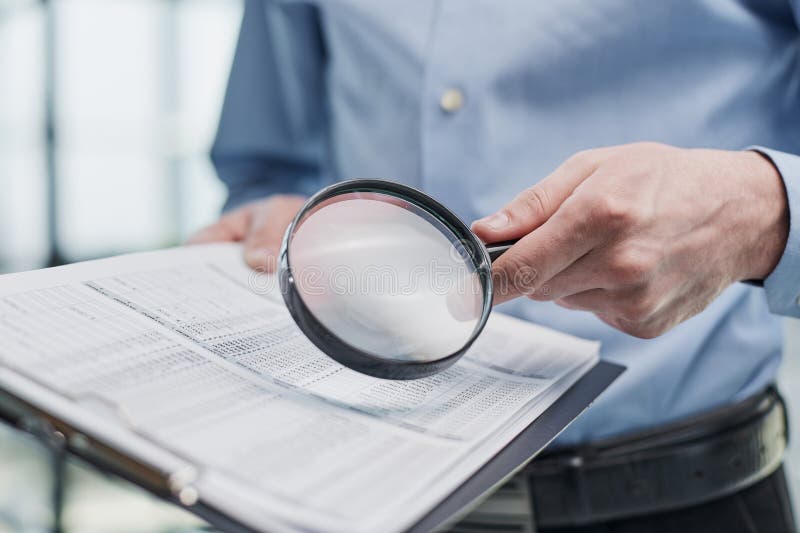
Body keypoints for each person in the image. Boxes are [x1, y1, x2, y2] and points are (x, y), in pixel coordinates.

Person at [191, 1, 800, 531]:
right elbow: (266, 168)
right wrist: (273, 216)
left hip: (678, 494)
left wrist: (760, 213)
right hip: (333, 488)